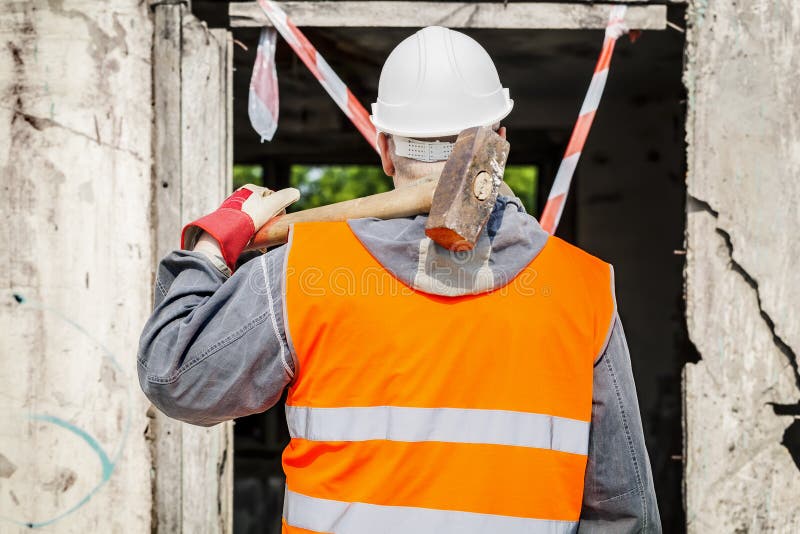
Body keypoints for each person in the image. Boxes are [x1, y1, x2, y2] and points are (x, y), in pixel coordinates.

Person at [138, 26, 661, 533]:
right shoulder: (581, 286)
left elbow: (174, 376)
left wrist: (210, 247)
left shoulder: (306, 272)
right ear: (500, 142)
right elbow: (623, 512)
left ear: (385, 148)